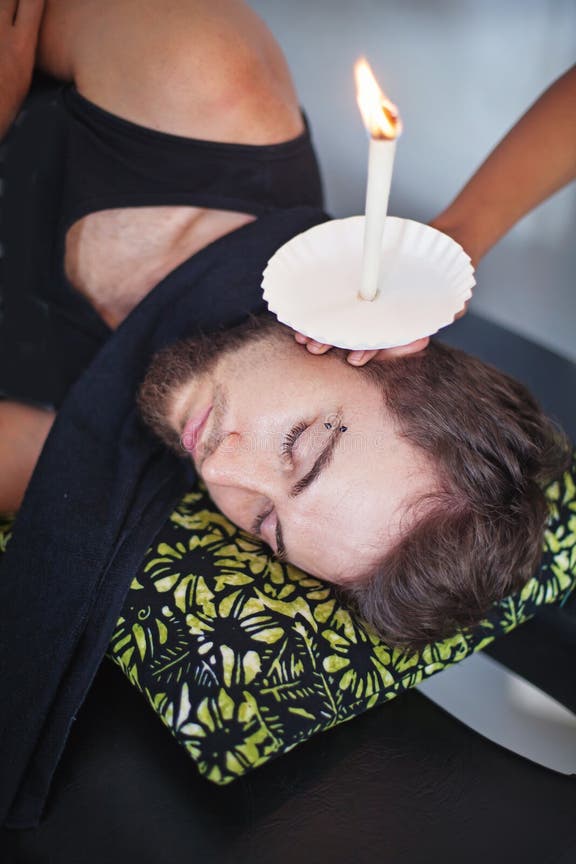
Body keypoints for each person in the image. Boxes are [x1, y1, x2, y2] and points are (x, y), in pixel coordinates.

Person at [0, 0, 572, 830]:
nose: (221, 470)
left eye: (266, 525)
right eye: (300, 447)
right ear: (364, 342)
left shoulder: (103, 468)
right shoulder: (205, 82)